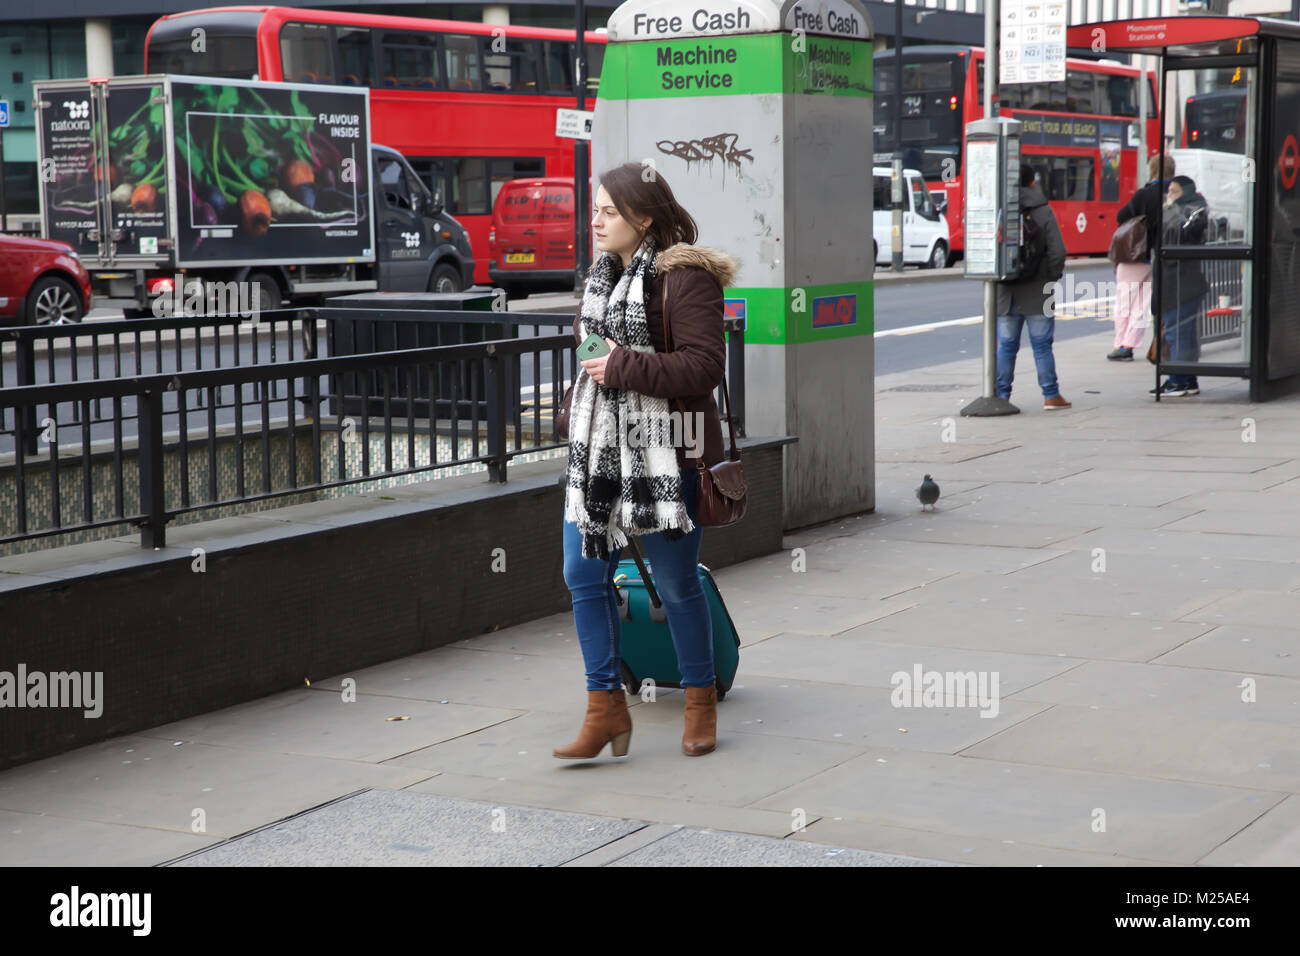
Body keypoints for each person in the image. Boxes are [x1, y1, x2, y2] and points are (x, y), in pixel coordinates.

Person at [556, 161, 738, 760]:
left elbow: (705, 366)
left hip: (668, 453)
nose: (598, 221)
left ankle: (699, 700)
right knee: (583, 576)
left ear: (644, 217)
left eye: (610, 211)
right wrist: (580, 402)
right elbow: (593, 357)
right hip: (599, 458)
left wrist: (621, 366)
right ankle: (605, 709)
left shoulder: (685, 279)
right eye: (596, 210)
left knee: (676, 583)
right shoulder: (600, 279)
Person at [996, 164, 1071, 409]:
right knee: (1041, 345)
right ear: (1032, 182)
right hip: (1039, 289)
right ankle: (1051, 395)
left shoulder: (1000, 208)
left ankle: (1001, 396)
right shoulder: (1044, 210)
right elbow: (1057, 251)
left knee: (1007, 346)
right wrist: (1050, 276)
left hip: (1006, 291)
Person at [1110, 154, 1175, 360]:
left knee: (1125, 302)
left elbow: (1121, 216)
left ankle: (1121, 345)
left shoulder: (1145, 194)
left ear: (1153, 169)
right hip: (1159, 257)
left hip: (1135, 256)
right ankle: (1130, 343)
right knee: (1142, 305)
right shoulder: (1173, 195)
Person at [1150, 174, 1209, 397]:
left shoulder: (1190, 210)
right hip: (1180, 280)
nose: (1169, 196)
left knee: (1177, 333)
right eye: (1169, 192)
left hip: (1180, 281)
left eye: (1173, 192)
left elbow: (1176, 236)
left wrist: (1169, 208)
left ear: (1185, 192)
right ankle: (1187, 378)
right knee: (1183, 332)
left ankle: (1178, 380)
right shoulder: (1190, 209)